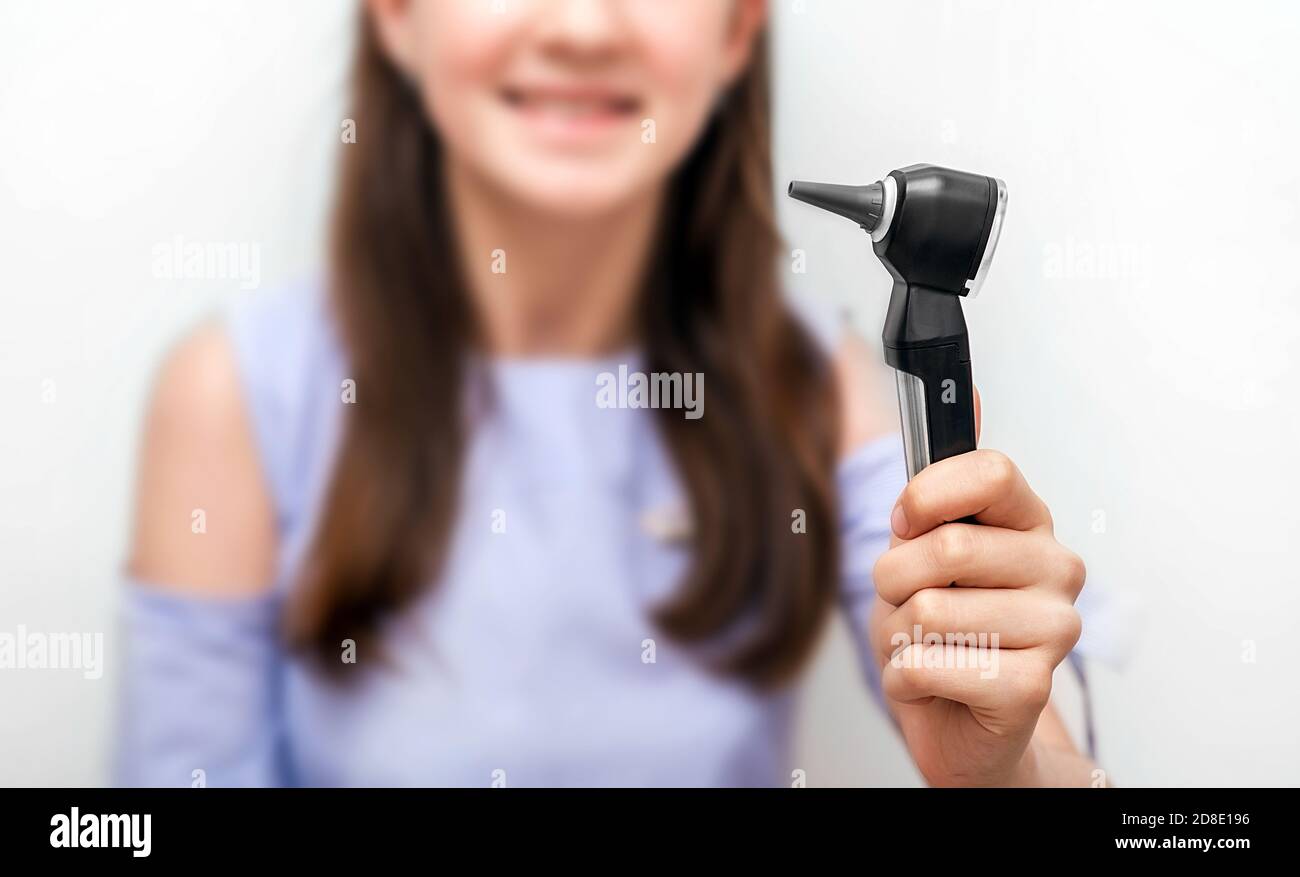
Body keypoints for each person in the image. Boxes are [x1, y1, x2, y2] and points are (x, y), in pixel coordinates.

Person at [117, 0, 1092, 787]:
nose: (582, 26)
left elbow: (1050, 755)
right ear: (398, 14)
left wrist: (1007, 772)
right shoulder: (235, 395)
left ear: (737, 28)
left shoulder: (818, 387)